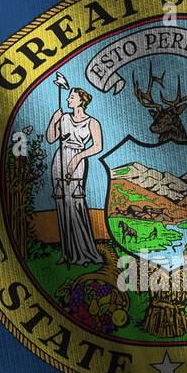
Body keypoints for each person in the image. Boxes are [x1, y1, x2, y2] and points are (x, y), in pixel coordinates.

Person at [46, 87, 104, 266]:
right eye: (69, 97)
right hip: (60, 159)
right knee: (62, 203)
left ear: (81, 100)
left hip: (78, 161)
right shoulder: (64, 118)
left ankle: (84, 251)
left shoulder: (92, 122)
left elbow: (97, 146)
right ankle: (68, 253)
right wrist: (53, 122)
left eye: (72, 97)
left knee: (75, 202)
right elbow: (50, 138)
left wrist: (78, 157)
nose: (68, 100)